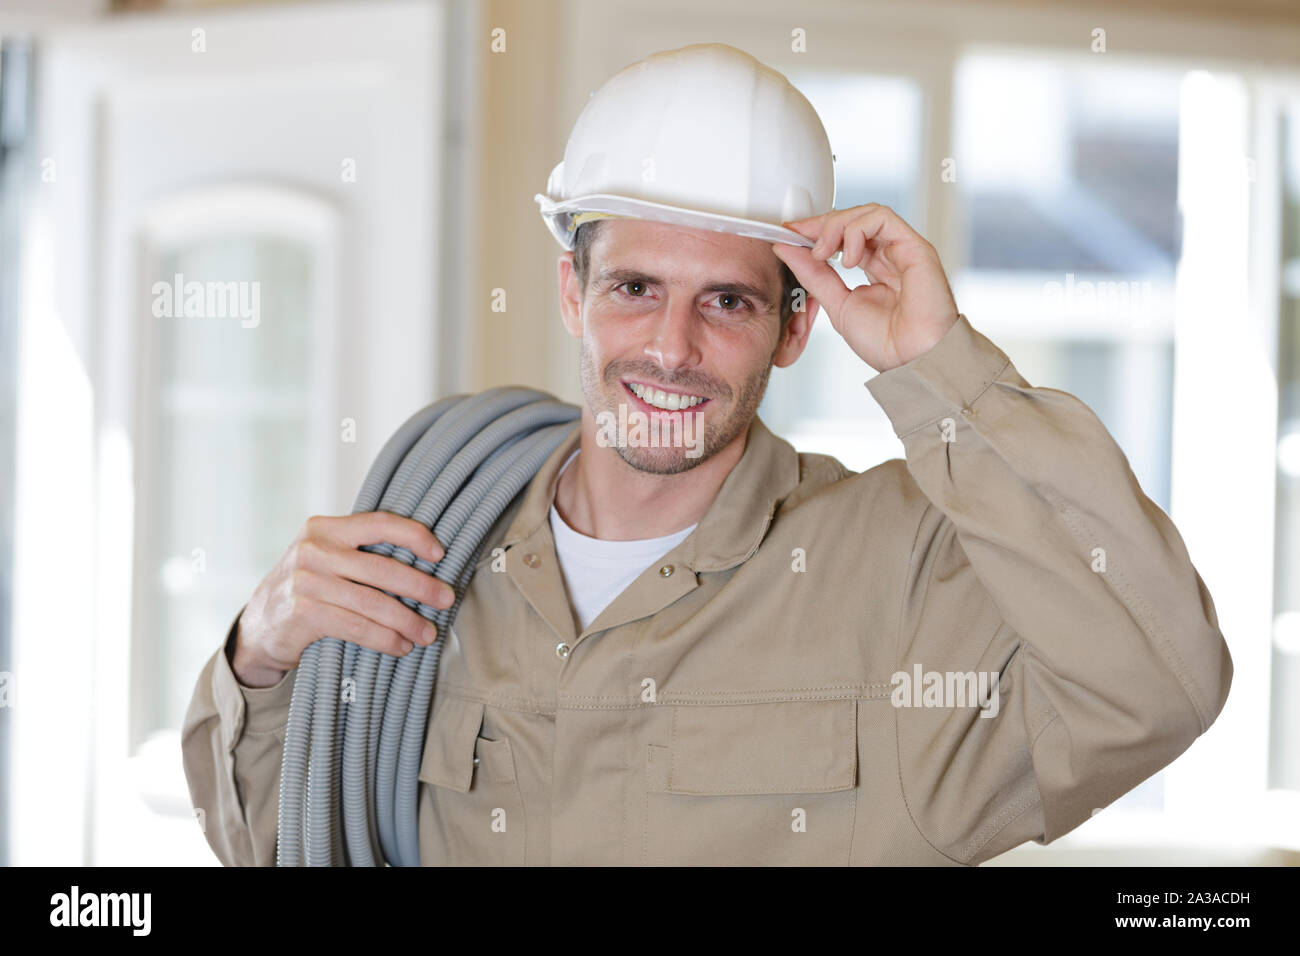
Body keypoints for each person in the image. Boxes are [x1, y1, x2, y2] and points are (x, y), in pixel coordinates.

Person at [182, 42, 1232, 866]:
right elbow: (284, 842)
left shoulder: (904, 564)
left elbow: (1160, 682)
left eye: (726, 301)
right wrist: (258, 654)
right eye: (635, 287)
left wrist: (938, 368)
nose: (672, 348)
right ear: (572, 294)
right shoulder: (433, 545)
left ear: (794, 327)